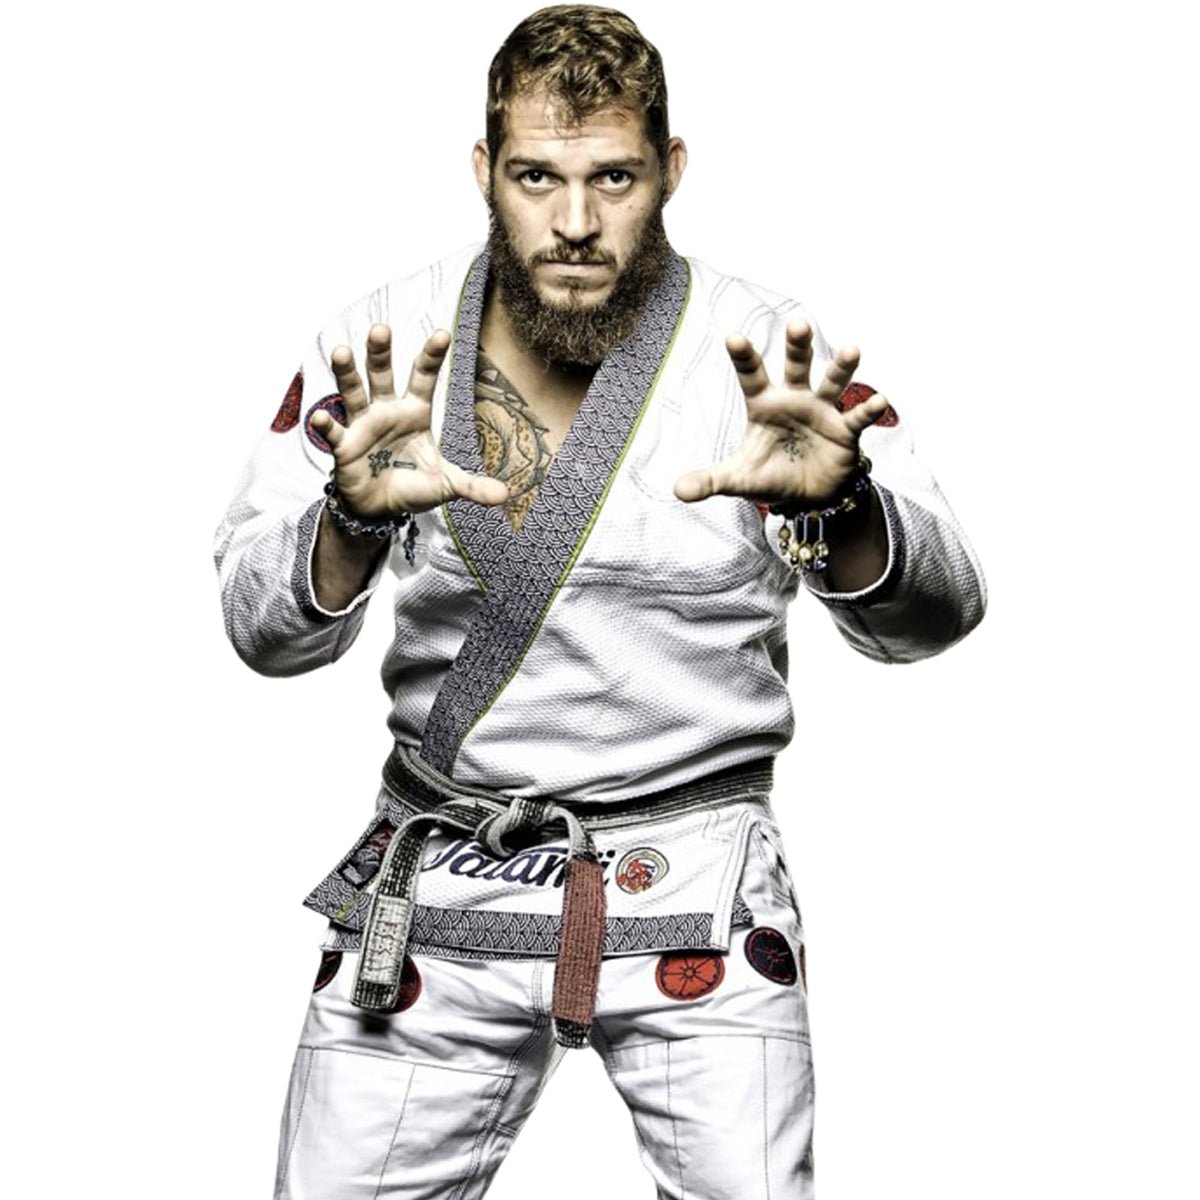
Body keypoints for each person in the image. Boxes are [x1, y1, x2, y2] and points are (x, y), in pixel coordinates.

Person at [214, 5, 986, 1197]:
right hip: (441, 879)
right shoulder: (383, 348)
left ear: (670, 169)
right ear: (485, 169)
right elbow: (258, 632)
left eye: (613, 178)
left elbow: (941, 613)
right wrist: (350, 523)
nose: (575, 222)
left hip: (695, 883)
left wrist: (844, 508)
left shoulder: (765, 356)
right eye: (537, 177)